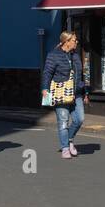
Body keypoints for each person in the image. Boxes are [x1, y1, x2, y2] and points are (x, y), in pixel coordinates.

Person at [41, 30, 88, 160]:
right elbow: (47, 73)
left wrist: (85, 92)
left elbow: (81, 75)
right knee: (63, 121)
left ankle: (69, 139)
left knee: (79, 119)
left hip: (76, 93)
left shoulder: (76, 56)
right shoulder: (53, 55)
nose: (76, 42)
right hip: (61, 92)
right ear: (66, 42)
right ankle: (65, 148)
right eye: (74, 40)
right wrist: (45, 89)